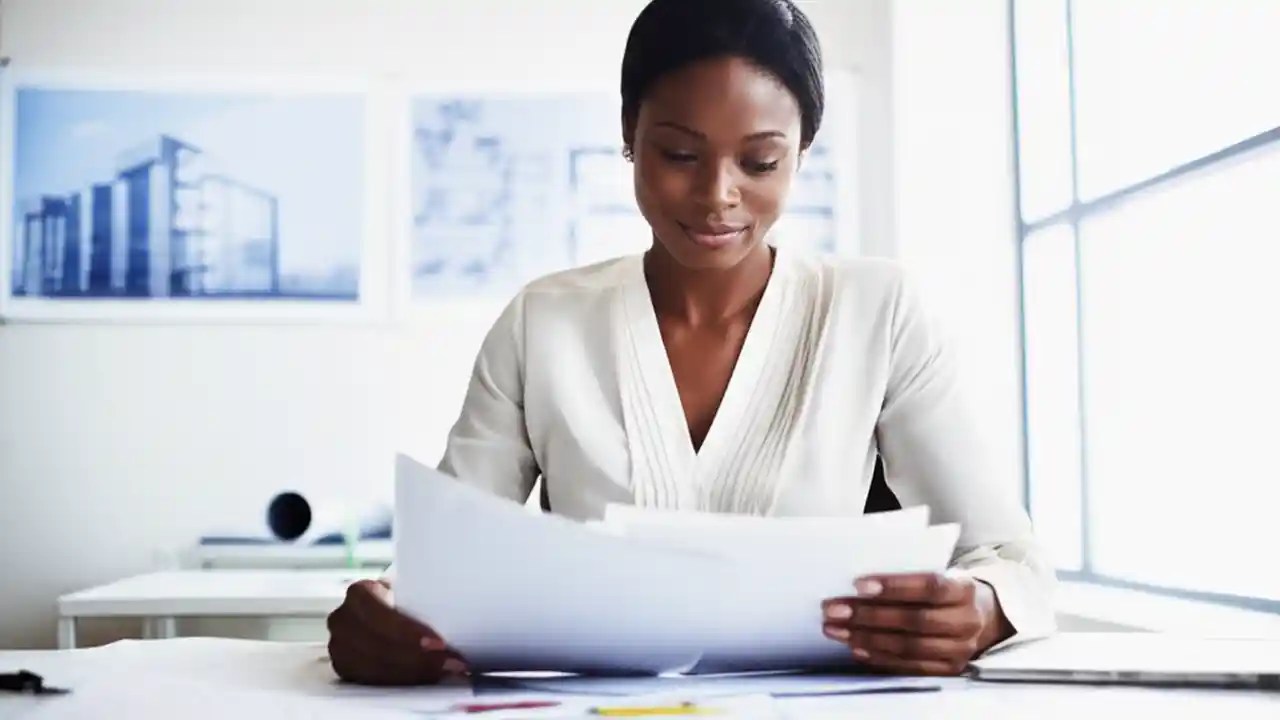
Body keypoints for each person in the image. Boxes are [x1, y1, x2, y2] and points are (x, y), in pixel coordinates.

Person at [327, 0, 1056, 685]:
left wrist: (983, 608)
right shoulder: (542, 322)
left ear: (802, 150)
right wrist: (387, 613)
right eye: (679, 154)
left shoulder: (879, 312)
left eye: (760, 162)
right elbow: (447, 567)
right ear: (628, 134)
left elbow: (1009, 559)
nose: (717, 194)